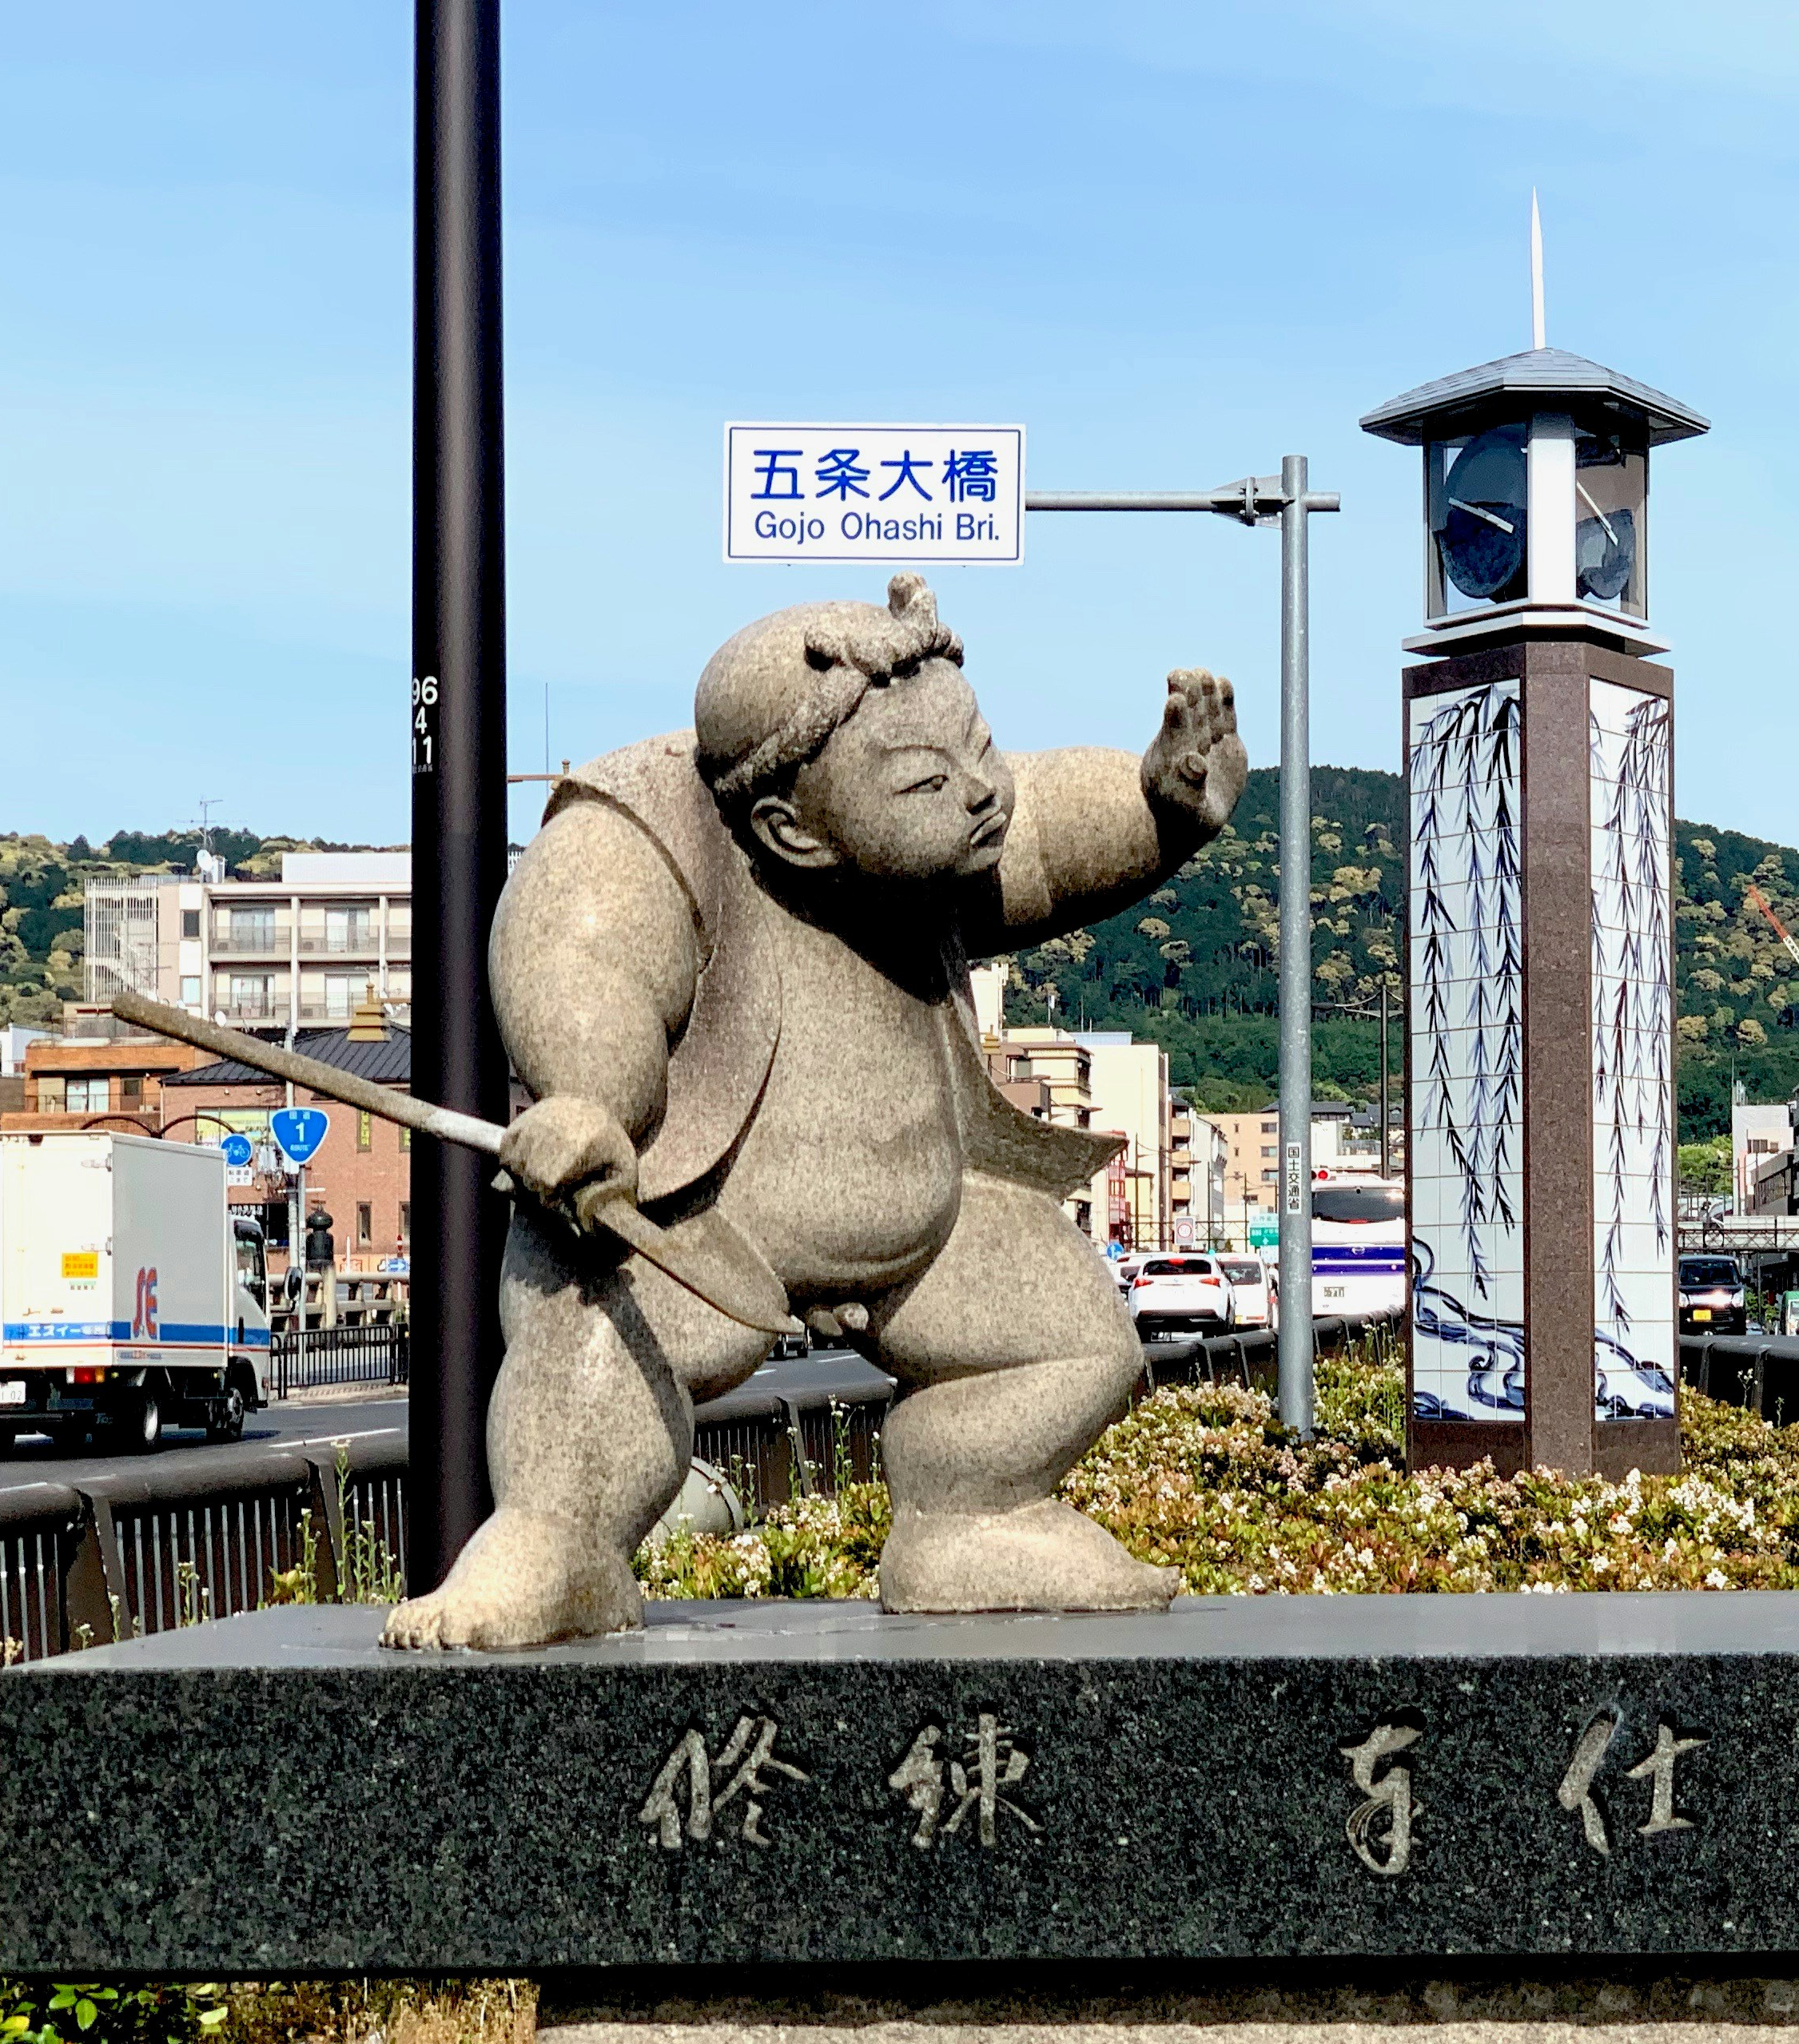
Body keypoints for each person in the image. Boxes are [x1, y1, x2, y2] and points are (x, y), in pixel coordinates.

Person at [386, 576, 1244, 1650]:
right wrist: (591, 1107)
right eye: (934, 781)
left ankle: (969, 1520)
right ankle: (559, 1544)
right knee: (594, 1331)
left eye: (978, 747)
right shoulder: (649, 825)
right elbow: (586, 961)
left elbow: (1044, 830)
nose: (981, 790)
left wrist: (1161, 804)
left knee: (1075, 1343)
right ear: (793, 827)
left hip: (933, 1224)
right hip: (701, 1218)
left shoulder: (939, 851)